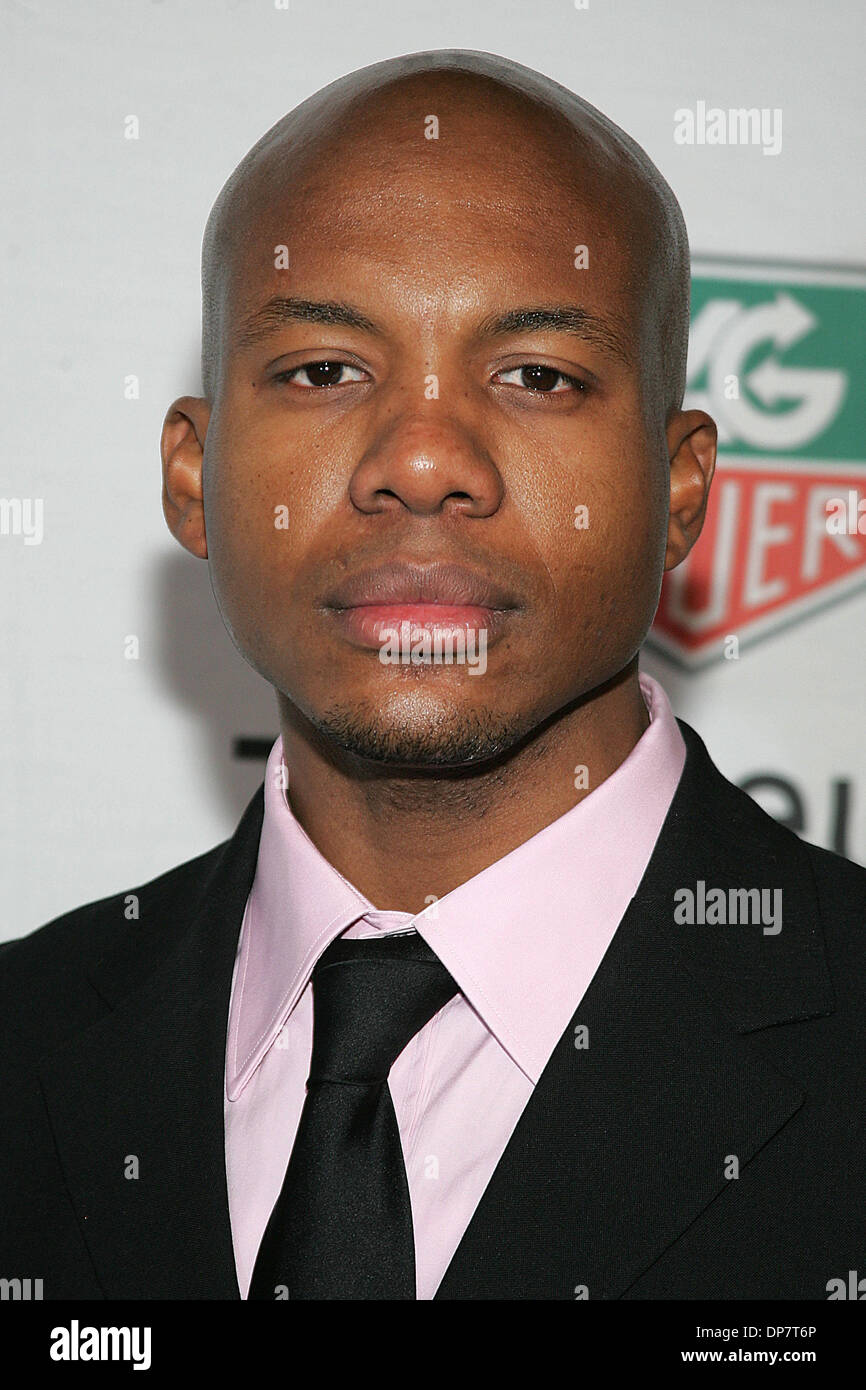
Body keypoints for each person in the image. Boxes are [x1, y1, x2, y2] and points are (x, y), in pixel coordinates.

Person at [1, 49, 863, 1302]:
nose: (418, 458)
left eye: (535, 377)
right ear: (193, 475)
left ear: (678, 492)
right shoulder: (26, 1045)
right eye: (322, 371)